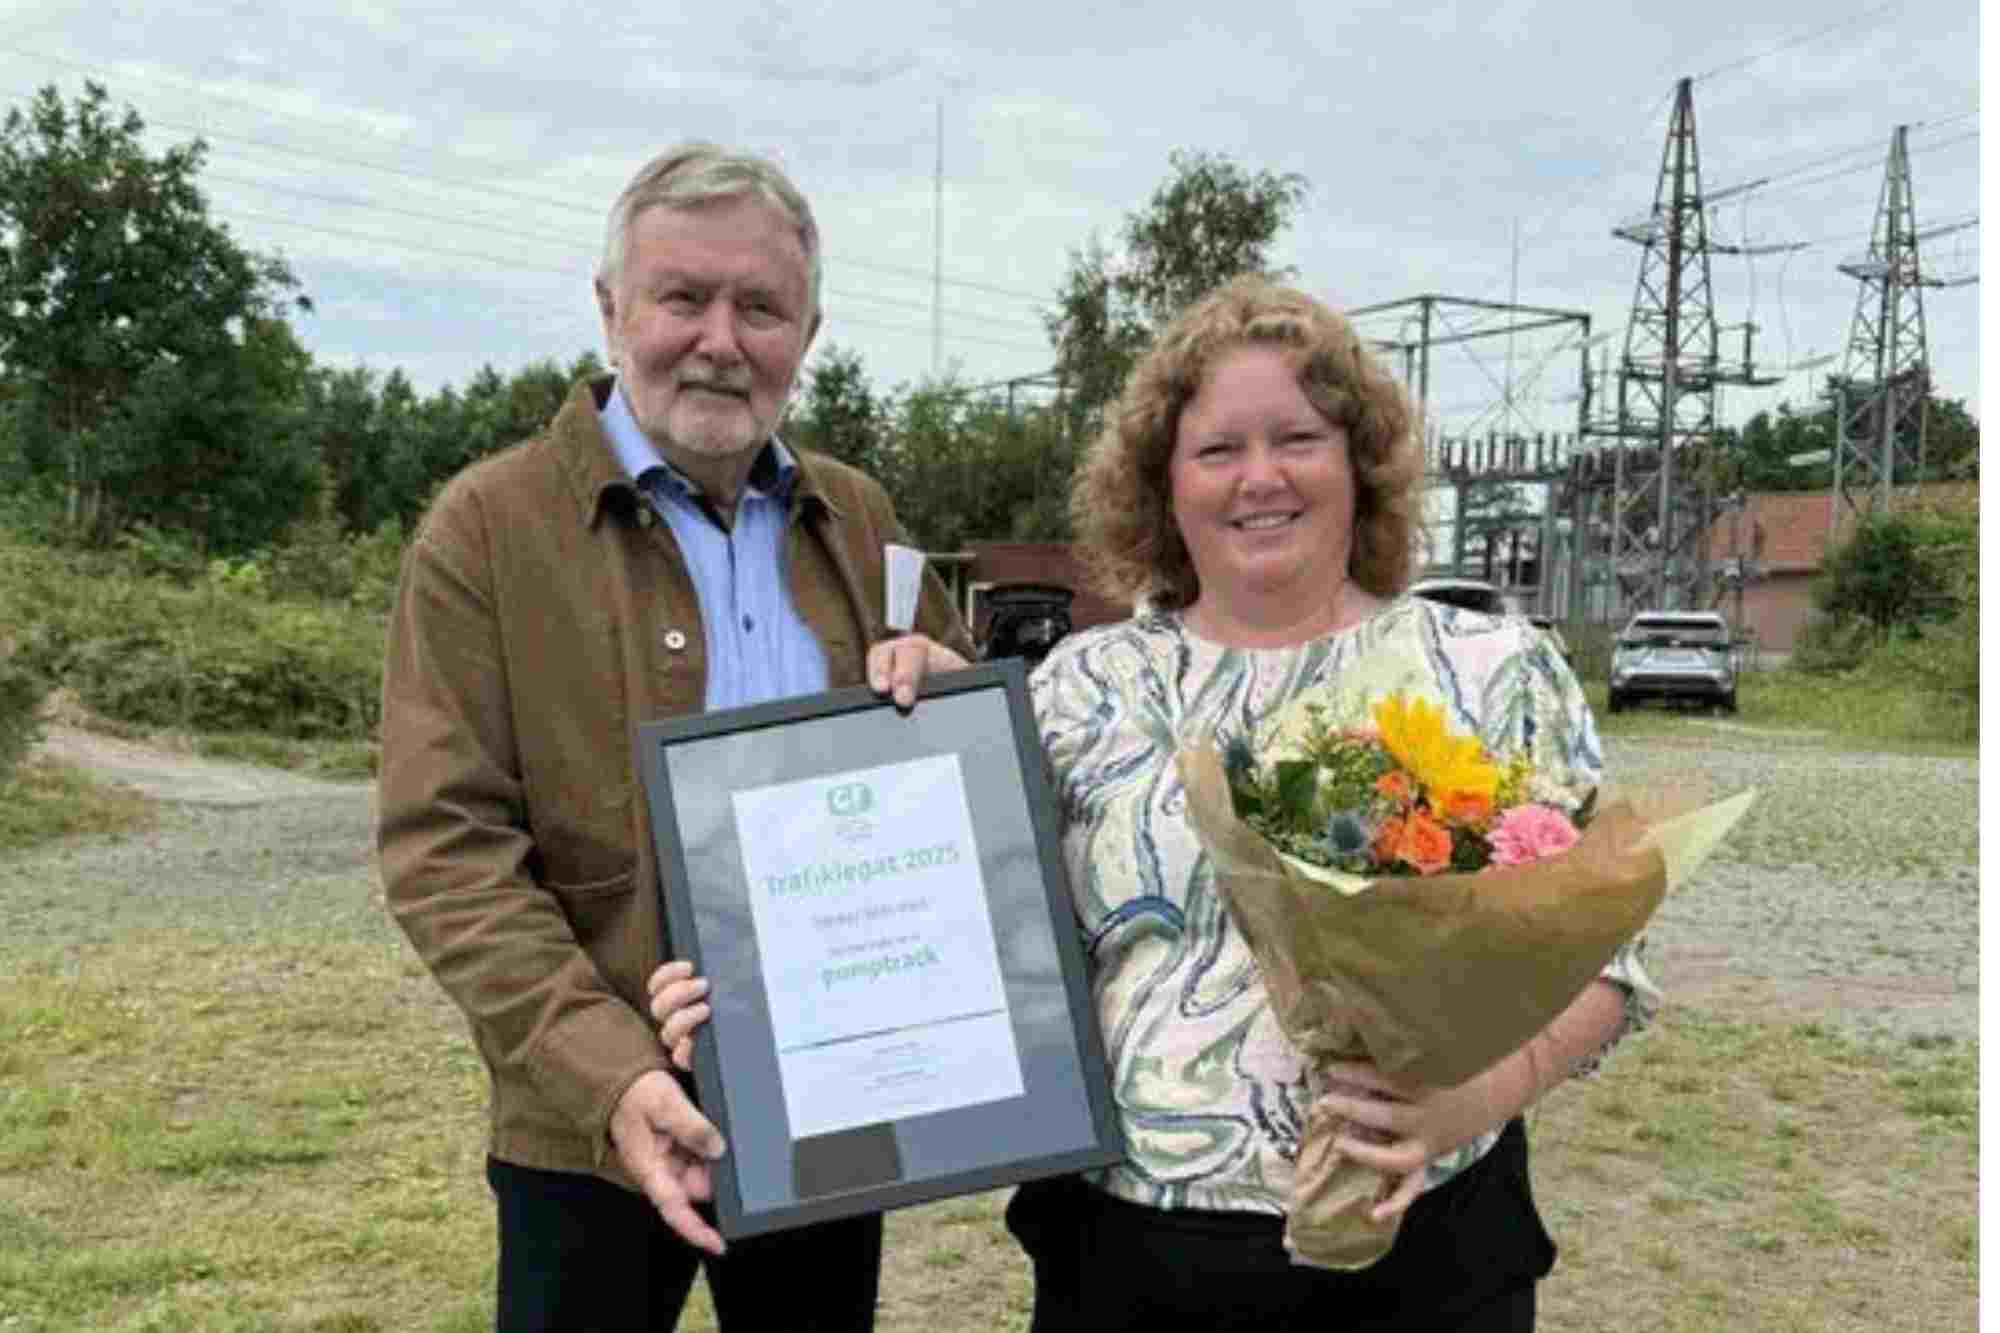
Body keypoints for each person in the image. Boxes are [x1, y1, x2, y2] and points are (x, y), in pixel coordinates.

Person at [375, 141, 973, 1333]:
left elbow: (964, 788)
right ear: (610, 311)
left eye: (760, 307)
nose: (720, 338)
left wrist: (963, 711)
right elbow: (443, 848)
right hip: (588, 1131)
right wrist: (615, 1073)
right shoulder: (487, 530)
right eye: (681, 297)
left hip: (829, 1105)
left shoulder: (860, 520)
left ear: (807, 332)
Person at [1004, 274, 1660, 1331]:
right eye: (1216, 450)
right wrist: (907, 715)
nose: (1258, 477)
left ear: (1359, 462)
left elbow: (1605, 960)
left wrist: (1464, 1102)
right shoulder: (1081, 686)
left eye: (1296, 438)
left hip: (1424, 1251)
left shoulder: (1486, 664)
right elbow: (988, 930)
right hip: (1124, 1262)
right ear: (1160, 484)